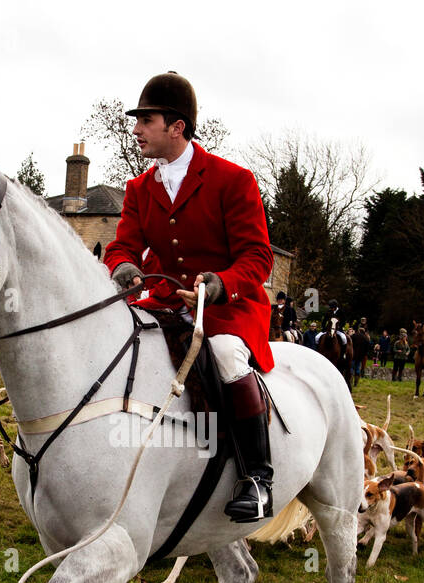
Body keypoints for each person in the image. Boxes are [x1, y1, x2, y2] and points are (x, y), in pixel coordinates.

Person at [104, 71, 275, 523]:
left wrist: (220, 283)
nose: (136, 129)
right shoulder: (139, 189)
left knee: (224, 356)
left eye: (146, 120)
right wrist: (121, 266)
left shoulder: (233, 180)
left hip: (229, 308)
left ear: (176, 126)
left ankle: (257, 478)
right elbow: (123, 244)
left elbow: (257, 255)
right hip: (162, 301)